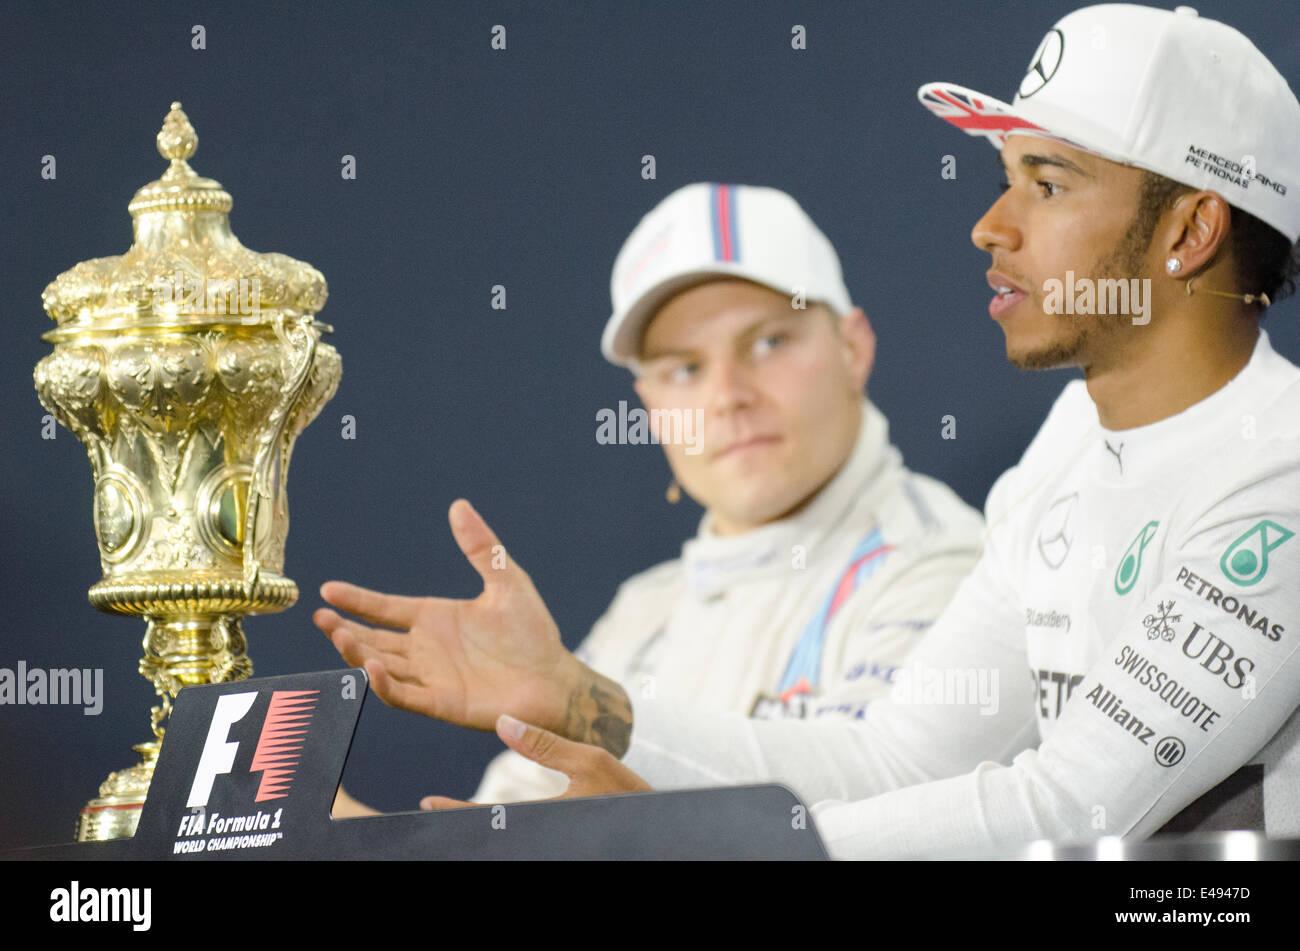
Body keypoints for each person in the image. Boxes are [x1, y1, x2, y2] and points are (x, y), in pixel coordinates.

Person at [317, 3, 1300, 858]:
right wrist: (580, 699)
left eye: (1045, 183)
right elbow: (897, 760)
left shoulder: (1281, 469)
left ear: (1186, 233)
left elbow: (1070, 805)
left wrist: (677, 845)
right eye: (1002, 176)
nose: (989, 226)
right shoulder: (1068, 445)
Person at [330, 183, 985, 814]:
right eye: (685, 368)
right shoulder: (644, 610)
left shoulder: (951, 565)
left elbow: (896, 809)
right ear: (651, 408)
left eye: (769, 341)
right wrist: (336, 833)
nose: (727, 395)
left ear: (854, 347)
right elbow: (502, 830)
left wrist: (583, 710)